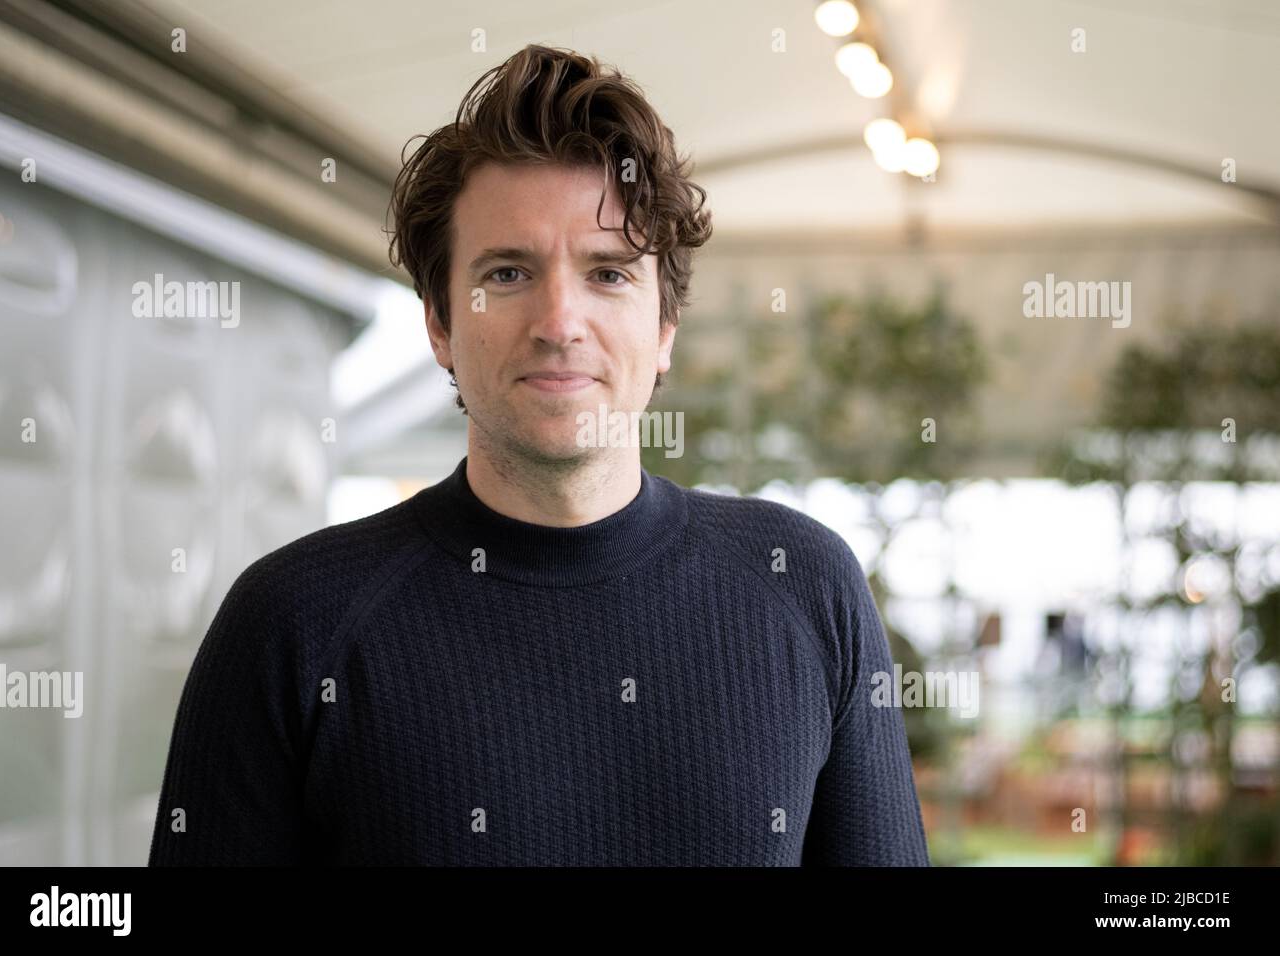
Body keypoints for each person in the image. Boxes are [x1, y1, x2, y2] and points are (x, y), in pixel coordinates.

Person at [148, 43, 929, 866]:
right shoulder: (292, 624)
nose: (559, 323)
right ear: (440, 325)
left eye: (610, 274)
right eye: (510, 272)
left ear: (666, 328)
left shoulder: (801, 585)